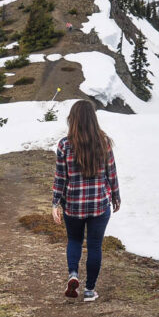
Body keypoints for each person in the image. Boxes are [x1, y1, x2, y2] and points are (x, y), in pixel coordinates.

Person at [52, 100, 121, 302]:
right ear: (93, 119)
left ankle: (73, 274)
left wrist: (55, 203)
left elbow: (60, 177)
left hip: (73, 205)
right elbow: (111, 172)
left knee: (74, 240)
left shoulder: (64, 145)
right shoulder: (104, 142)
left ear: (72, 119)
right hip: (99, 204)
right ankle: (90, 290)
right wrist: (115, 196)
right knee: (94, 246)